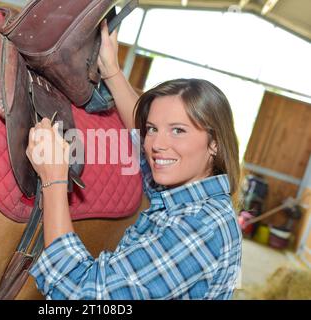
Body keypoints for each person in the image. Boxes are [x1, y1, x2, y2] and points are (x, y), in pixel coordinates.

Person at [26, 21, 242, 300]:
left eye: (178, 130)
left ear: (214, 142)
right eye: (153, 129)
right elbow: (140, 133)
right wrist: (112, 71)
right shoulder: (187, 193)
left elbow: (84, 296)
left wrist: (54, 179)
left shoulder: (201, 229)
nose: (157, 145)